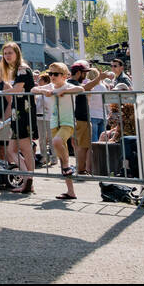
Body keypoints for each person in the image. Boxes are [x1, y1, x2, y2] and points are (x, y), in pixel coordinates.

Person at [31, 63, 84, 200]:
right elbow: (33, 89)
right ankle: (70, 191)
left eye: (55, 74)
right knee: (60, 154)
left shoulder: (67, 86)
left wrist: (64, 91)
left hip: (67, 122)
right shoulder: (49, 87)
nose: (52, 76)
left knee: (57, 142)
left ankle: (68, 165)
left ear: (65, 76)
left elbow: (80, 88)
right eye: (50, 73)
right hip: (54, 123)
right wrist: (43, 91)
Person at [0, 42, 37, 195]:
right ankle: (28, 179)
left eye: (9, 53)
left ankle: (29, 180)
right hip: (17, 112)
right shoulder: (16, 71)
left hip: (23, 112)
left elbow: (18, 90)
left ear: (17, 53)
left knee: (25, 148)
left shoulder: (23, 69)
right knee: (12, 150)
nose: (7, 56)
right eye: (5, 53)